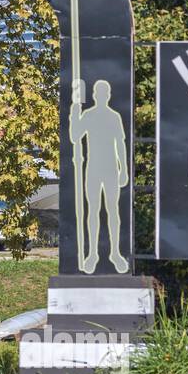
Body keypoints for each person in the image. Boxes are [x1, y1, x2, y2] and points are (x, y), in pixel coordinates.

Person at [69, 79, 129, 273]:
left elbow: (120, 144)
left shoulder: (114, 117)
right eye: (99, 93)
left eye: (105, 93)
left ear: (108, 96)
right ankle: (93, 253)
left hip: (110, 167)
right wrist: (73, 117)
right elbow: (75, 136)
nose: (102, 96)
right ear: (95, 95)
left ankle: (115, 252)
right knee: (93, 210)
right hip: (93, 168)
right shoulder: (89, 115)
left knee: (113, 210)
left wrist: (124, 169)